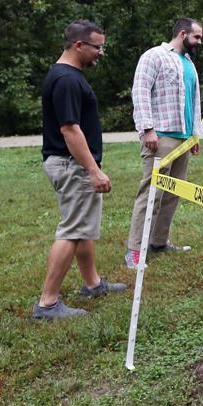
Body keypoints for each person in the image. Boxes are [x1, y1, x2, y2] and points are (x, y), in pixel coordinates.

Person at [33, 20, 128, 321]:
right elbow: (70, 129)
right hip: (72, 165)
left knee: (82, 226)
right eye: (97, 47)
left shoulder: (65, 75)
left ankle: (93, 284)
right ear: (78, 45)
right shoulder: (67, 80)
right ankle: (47, 304)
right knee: (72, 230)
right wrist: (92, 170)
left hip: (72, 165)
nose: (101, 52)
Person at [126, 17, 203, 268]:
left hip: (184, 138)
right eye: (197, 37)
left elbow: (194, 101)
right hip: (160, 137)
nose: (199, 42)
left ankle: (159, 242)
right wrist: (148, 129)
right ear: (183, 34)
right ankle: (135, 251)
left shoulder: (189, 63)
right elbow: (140, 92)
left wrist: (195, 135)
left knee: (172, 193)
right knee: (151, 192)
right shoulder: (154, 56)